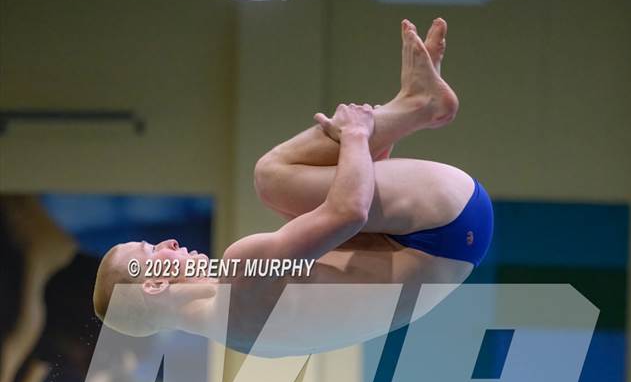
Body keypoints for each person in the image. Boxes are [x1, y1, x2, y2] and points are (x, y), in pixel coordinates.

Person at [93, 18, 493, 355]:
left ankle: (414, 106)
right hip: (443, 224)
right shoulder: (241, 274)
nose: (170, 245)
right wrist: (355, 135)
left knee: (300, 211)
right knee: (271, 177)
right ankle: (417, 106)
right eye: (152, 251)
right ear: (155, 282)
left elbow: (354, 252)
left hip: (447, 245)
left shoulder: (237, 333)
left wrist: (367, 150)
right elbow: (350, 212)